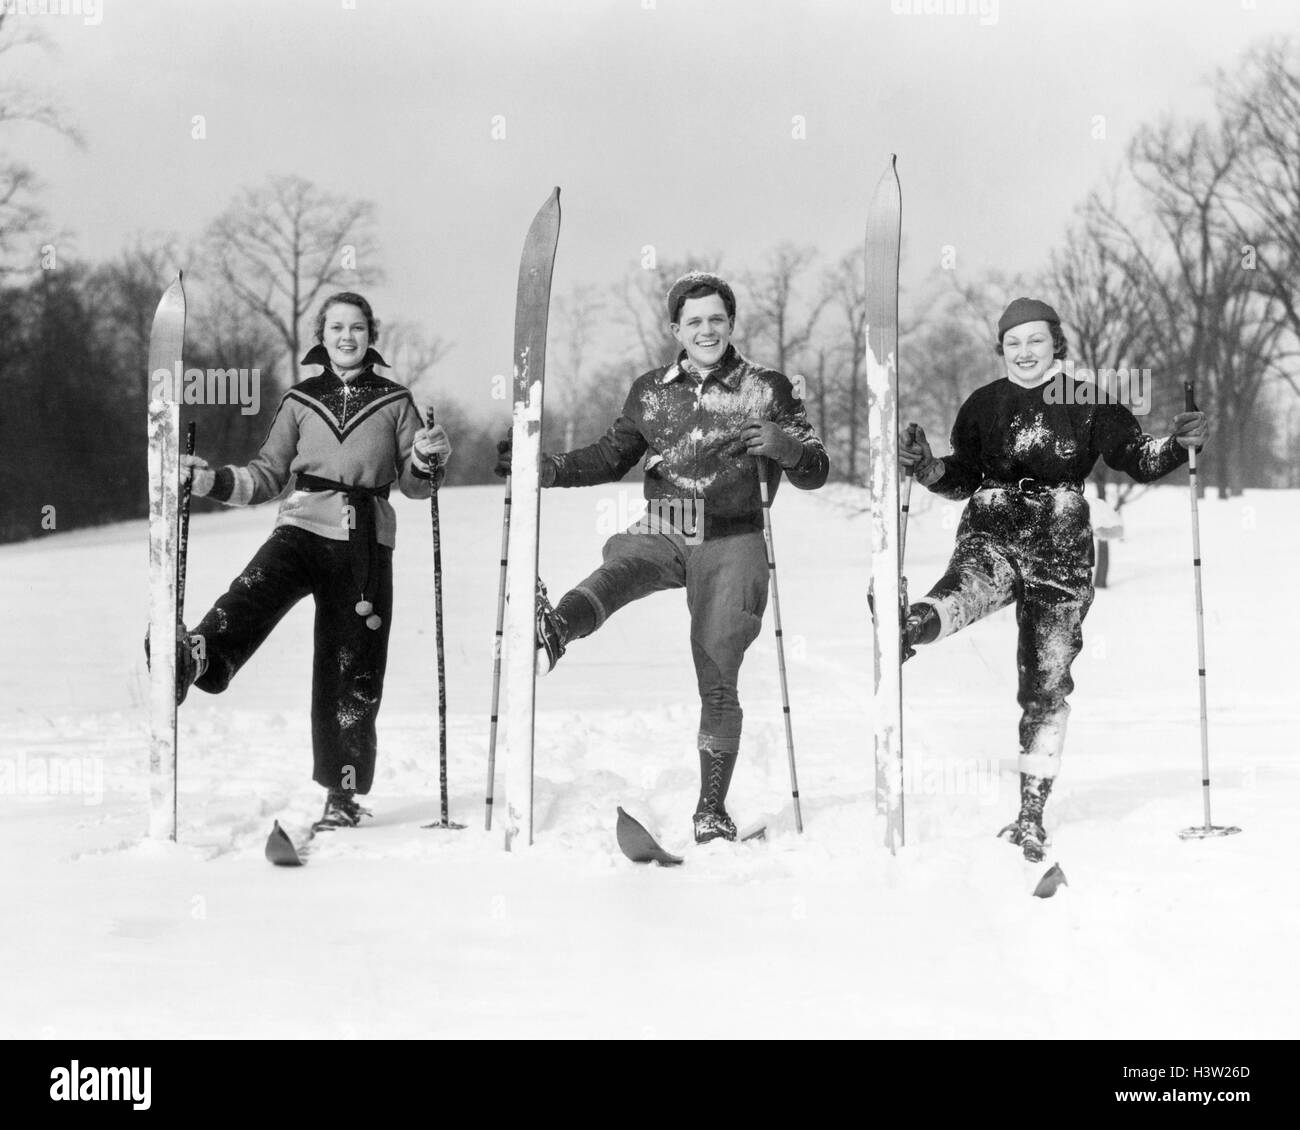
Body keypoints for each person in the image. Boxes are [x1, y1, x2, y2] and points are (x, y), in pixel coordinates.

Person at [495, 271, 829, 844]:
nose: (706, 329)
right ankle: (554, 631)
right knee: (624, 566)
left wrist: (785, 446)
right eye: (694, 320)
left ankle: (710, 811)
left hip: (735, 536)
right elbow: (610, 456)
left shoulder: (767, 387)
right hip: (669, 521)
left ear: (730, 324)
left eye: (716, 319)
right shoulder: (651, 390)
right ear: (676, 327)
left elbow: (816, 469)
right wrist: (547, 468)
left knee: (718, 670)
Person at [897, 297, 1208, 861]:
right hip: (992, 526)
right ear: (1001, 350)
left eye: (1035, 341)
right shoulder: (983, 405)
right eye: (1013, 343)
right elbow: (963, 476)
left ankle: (1031, 815)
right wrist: (928, 468)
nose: (1024, 352)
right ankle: (908, 628)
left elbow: (1137, 457)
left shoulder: (1088, 402)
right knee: (966, 589)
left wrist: (1178, 444)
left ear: (1056, 345)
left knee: (1045, 682)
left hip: (1060, 545)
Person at [159, 292, 451, 831]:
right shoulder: (301, 398)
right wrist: (208, 481)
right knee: (253, 589)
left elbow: (416, 487)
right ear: (322, 333)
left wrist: (428, 457)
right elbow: (267, 474)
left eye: (357, 327)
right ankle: (198, 654)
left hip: (365, 545)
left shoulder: (395, 401)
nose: (347, 336)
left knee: (350, 670)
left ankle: (341, 796)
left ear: (371, 335)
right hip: (302, 525)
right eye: (337, 327)